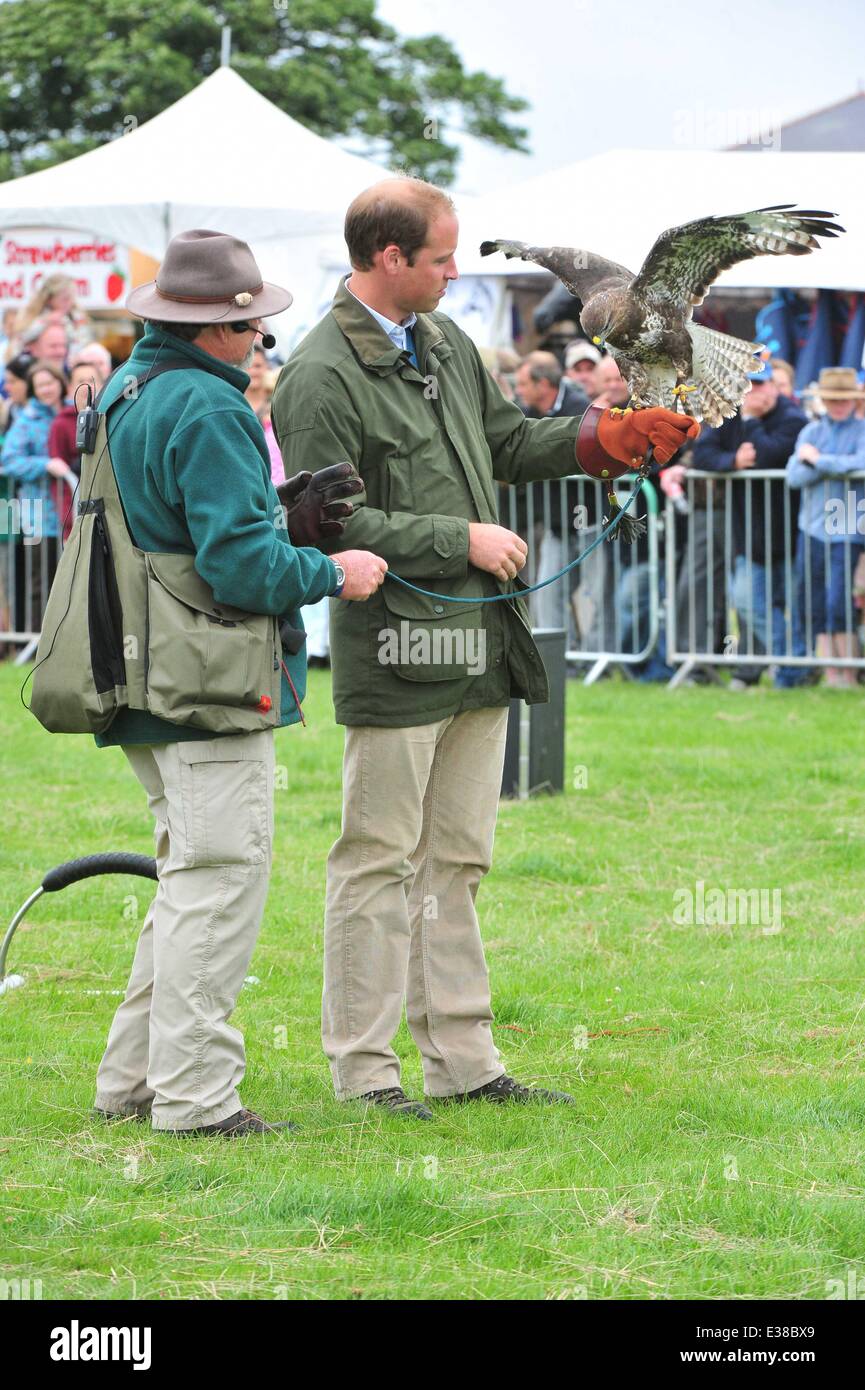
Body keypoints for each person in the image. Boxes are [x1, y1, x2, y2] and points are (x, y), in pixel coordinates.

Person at [272, 176, 698, 1120]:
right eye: (439, 257)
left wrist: (608, 438)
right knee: (376, 858)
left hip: (478, 638)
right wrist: (455, 538)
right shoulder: (319, 375)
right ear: (390, 259)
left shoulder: (446, 341)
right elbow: (321, 526)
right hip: (394, 645)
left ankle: (463, 1060)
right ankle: (364, 1070)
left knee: (457, 858)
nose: (454, 271)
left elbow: (506, 441)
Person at [89, 229, 386, 1138]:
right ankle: (195, 1100)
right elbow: (238, 568)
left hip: (141, 672)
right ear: (216, 327)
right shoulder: (209, 408)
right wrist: (334, 569)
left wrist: (273, 510)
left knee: (188, 880)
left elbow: (174, 529)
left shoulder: (130, 388)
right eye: (252, 326)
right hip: (204, 681)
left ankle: (135, 1081)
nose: (260, 342)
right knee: (218, 884)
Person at [693, 361, 806, 688]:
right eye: (749, 386)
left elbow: (770, 455)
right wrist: (732, 461)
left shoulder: (793, 418)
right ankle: (792, 660)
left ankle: (793, 668)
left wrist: (753, 423)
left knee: (795, 607)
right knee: (744, 600)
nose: (754, 393)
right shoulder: (730, 414)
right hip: (750, 533)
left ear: (773, 386)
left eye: (761, 385)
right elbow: (703, 455)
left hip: (789, 533)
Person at [785, 367, 865, 687]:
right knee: (814, 599)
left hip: (848, 527)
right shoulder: (811, 432)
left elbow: (859, 464)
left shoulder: (861, 431)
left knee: (839, 600)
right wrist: (826, 464)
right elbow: (794, 476)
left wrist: (817, 461)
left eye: (843, 399)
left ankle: (848, 670)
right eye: (832, 399)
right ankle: (830, 672)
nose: (838, 405)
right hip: (812, 527)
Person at [0, 358, 68, 622]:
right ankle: (38, 644)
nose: (46, 390)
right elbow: (8, 461)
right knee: (41, 581)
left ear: (60, 383)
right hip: (39, 516)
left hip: (72, 512)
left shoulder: (72, 413)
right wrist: (45, 465)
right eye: (39, 386)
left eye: (49, 383)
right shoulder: (27, 420)